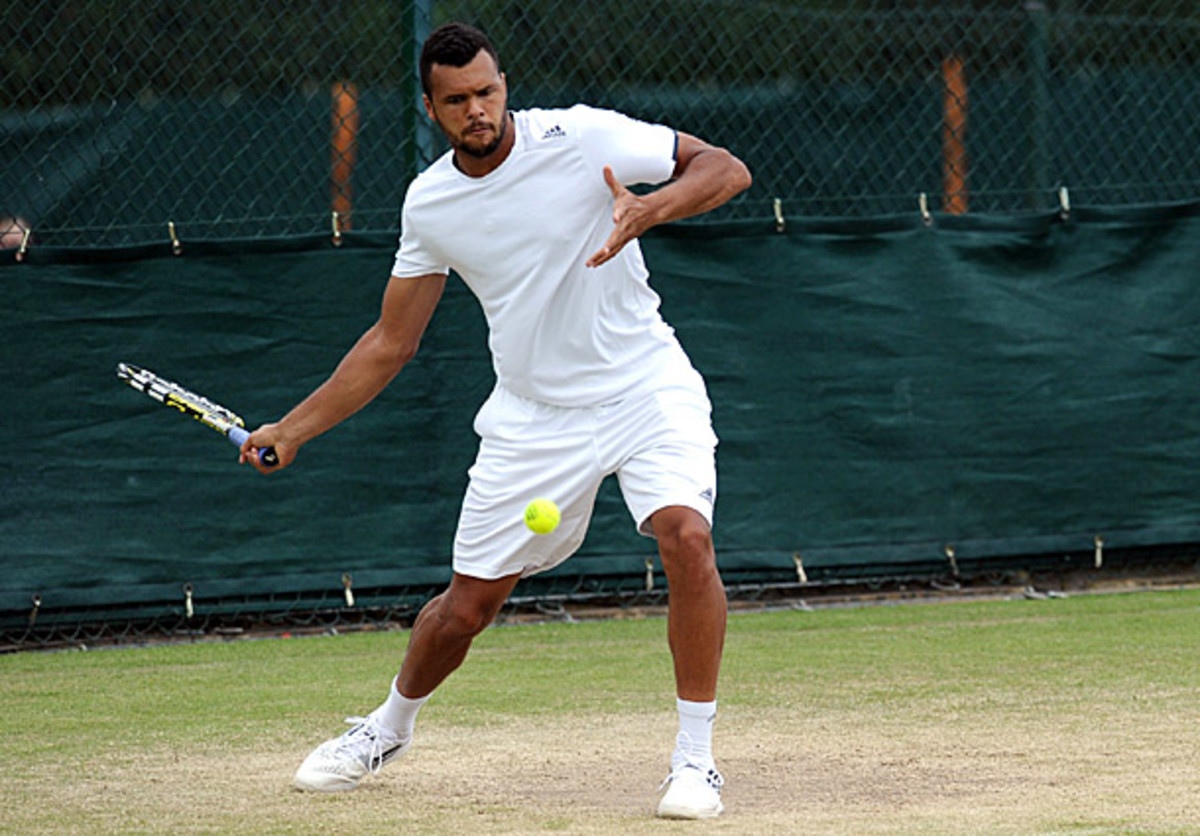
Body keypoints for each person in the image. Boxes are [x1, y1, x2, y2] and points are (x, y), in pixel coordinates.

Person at [241, 21, 751, 820]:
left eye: (487, 91)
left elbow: (726, 169)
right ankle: (388, 727)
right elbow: (390, 342)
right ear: (430, 107)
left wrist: (649, 211)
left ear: (504, 84)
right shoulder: (432, 203)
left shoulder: (584, 139)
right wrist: (294, 428)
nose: (477, 110)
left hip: (646, 387)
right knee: (466, 608)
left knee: (686, 534)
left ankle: (696, 761)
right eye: (457, 101)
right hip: (533, 419)